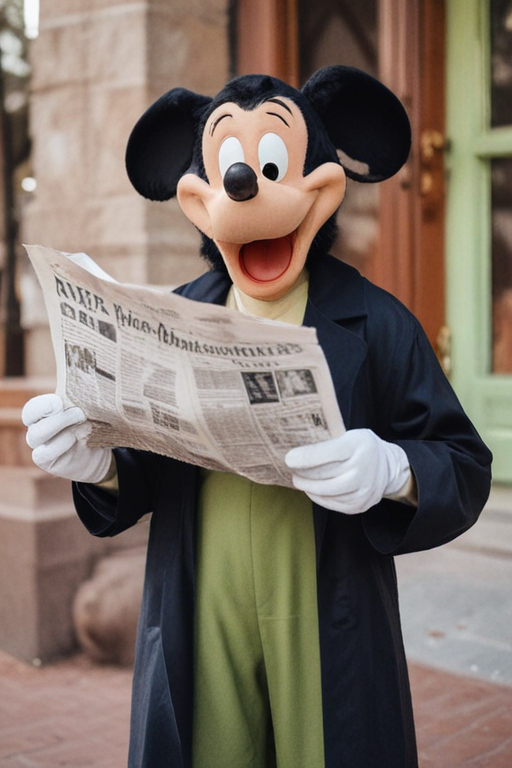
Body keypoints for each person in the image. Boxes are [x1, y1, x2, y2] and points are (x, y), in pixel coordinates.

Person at [22, 66, 492, 768]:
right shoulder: (176, 313)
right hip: (202, 602)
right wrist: (97, 465)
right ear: (197, 193)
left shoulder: (380, 321)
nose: (246, 187)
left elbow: (464, 462)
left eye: (271, 165)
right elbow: (144, 459)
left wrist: (396, 470)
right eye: (229, 170)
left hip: (325, 603)